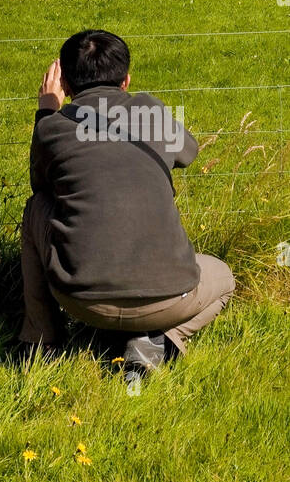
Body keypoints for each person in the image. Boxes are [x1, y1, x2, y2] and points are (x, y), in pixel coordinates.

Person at [19, 29, 234, 380]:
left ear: (66, 85)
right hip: (170, 298)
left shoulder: (53, 127)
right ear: (126, 80)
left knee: (35, 208)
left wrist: (46, 111)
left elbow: (40, 186)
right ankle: (158, 339)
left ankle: (41, 341)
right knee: (223, 277)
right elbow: (189, 152)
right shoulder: (148, 110)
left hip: (79, 299)